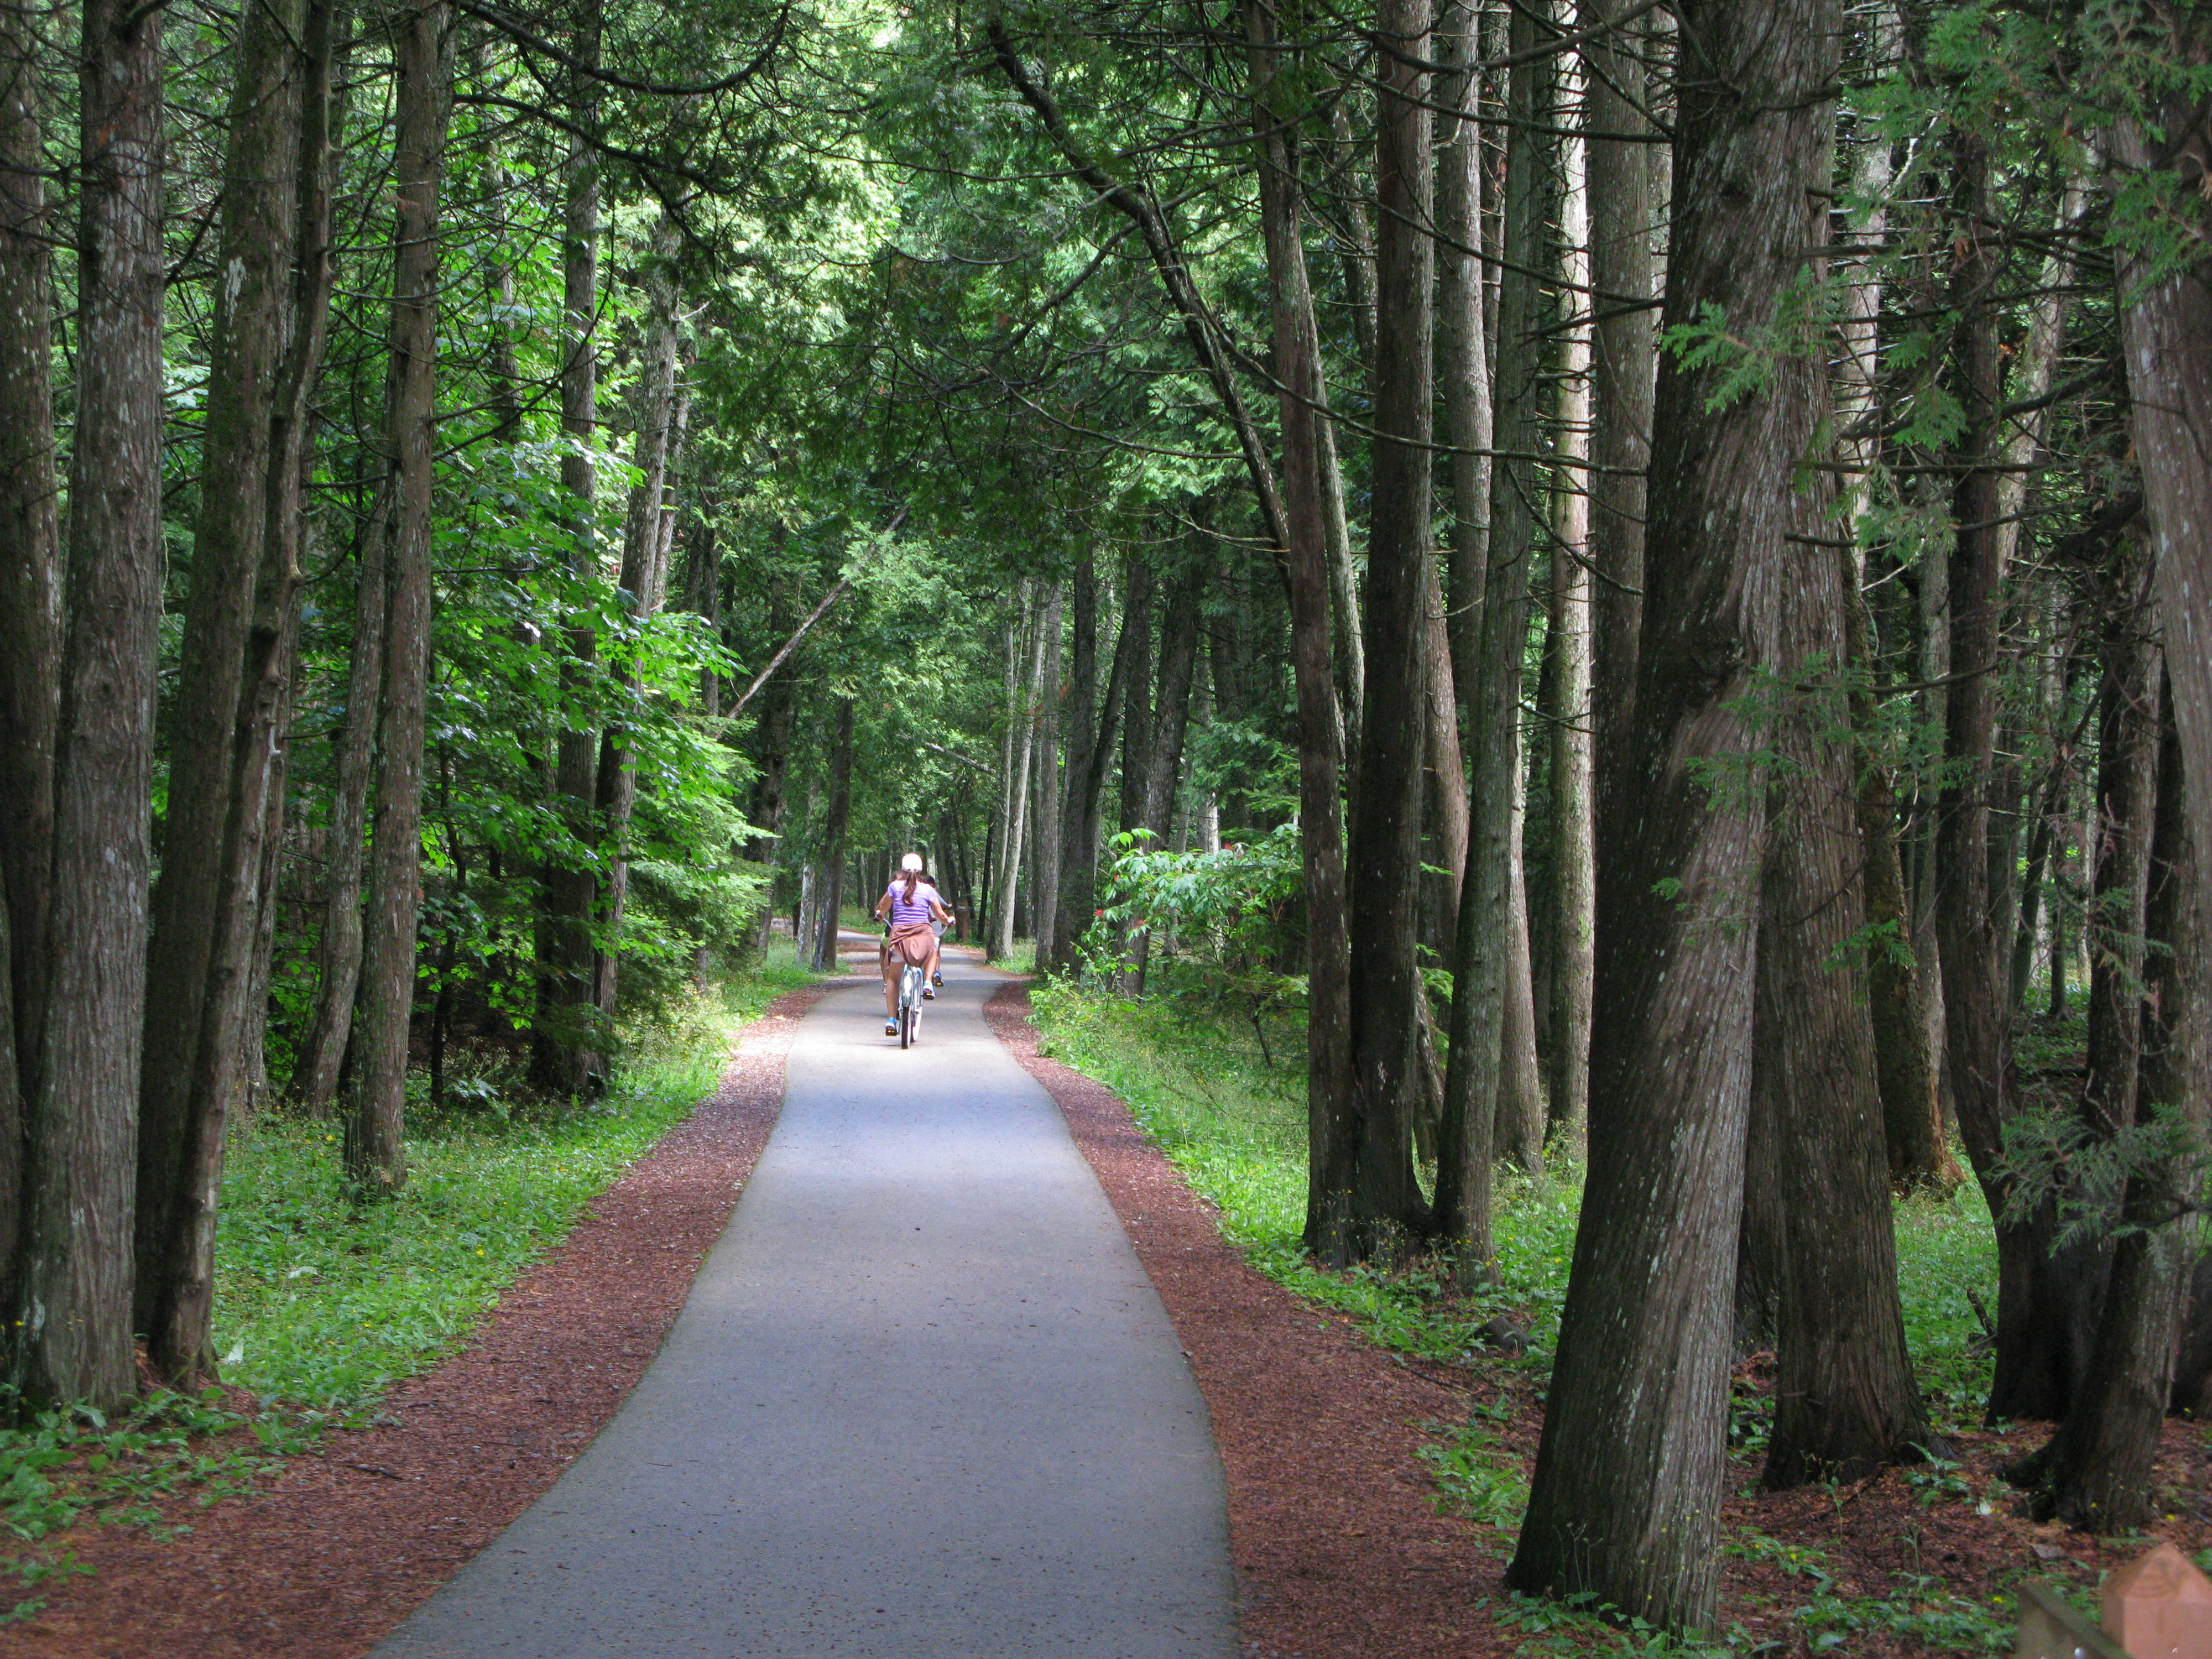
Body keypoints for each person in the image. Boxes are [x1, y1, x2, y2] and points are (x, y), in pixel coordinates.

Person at [874, 853, 950, 1036]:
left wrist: (879, 915)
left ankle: (892, 1020)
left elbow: (882, 909)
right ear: (921, 869)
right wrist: (949, 920)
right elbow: (940, 916)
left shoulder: (894, 887)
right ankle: (928, 983)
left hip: (900, 937)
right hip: (922, 935)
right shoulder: (928, 890)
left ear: (902, 869)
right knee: (933, 950)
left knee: (893, 979)